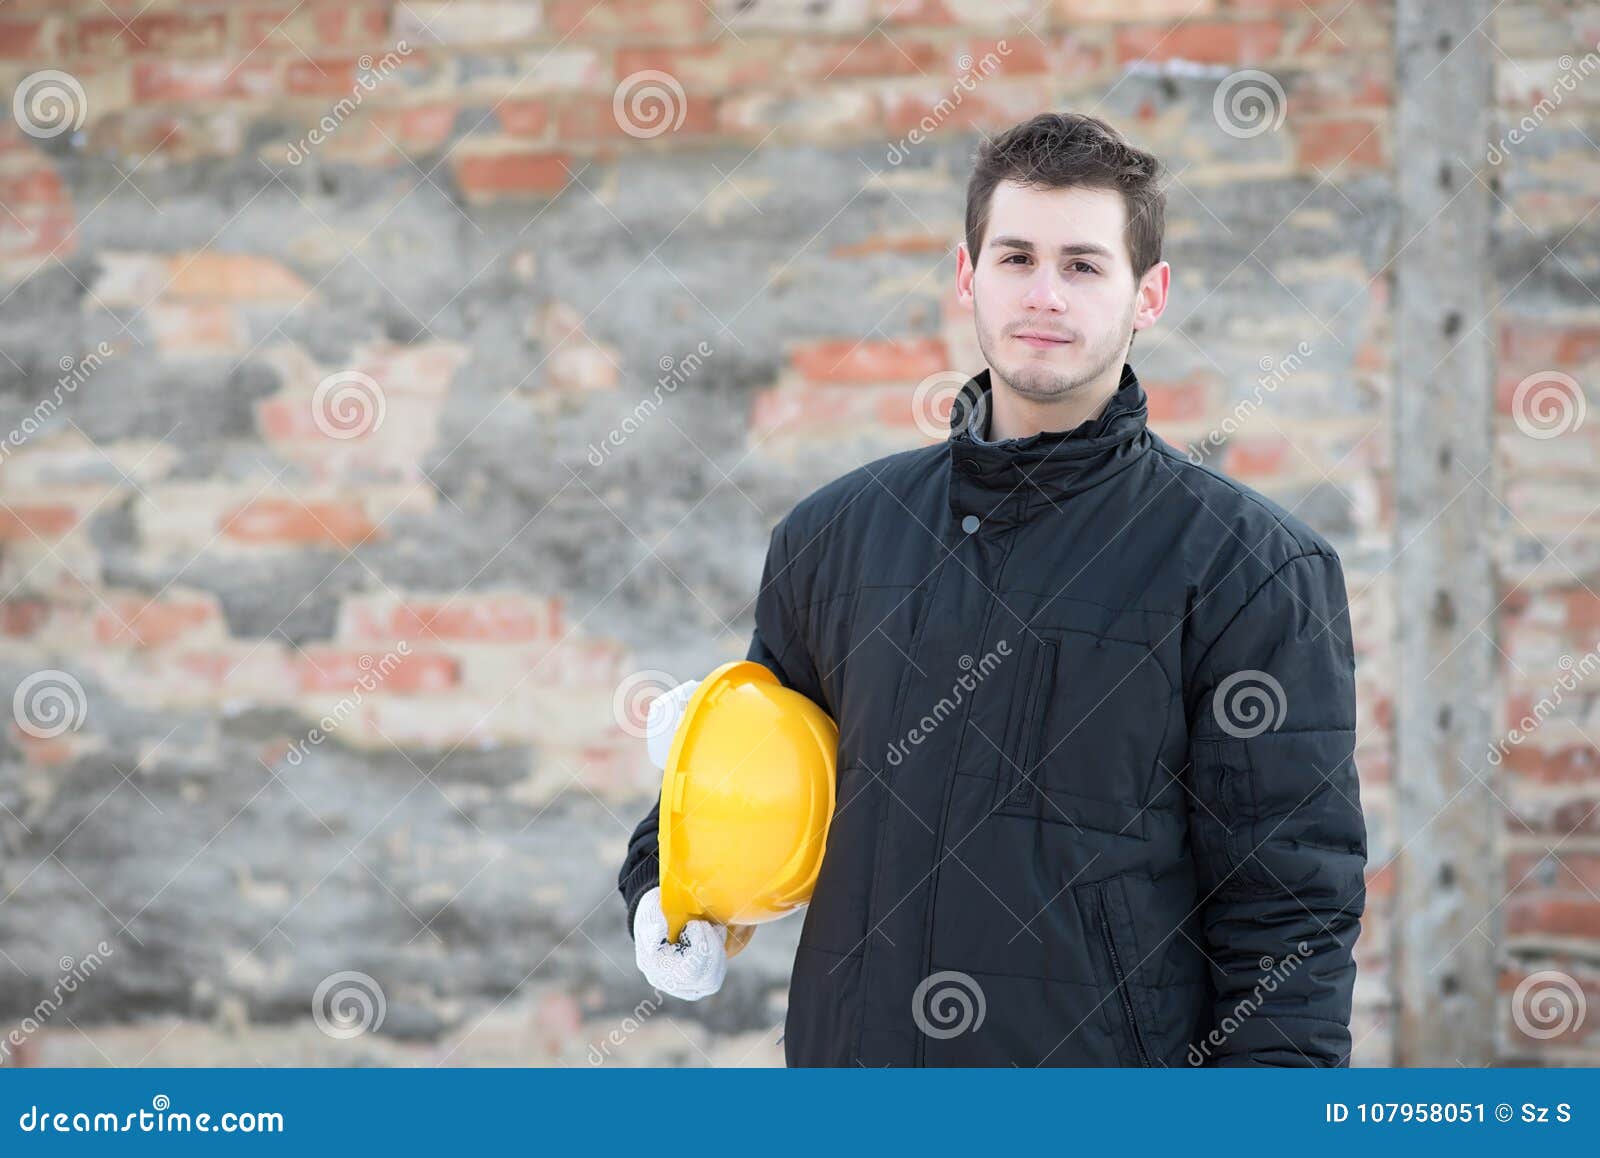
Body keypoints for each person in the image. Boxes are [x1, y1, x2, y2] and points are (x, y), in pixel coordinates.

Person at [618, 111, 1367, 1067]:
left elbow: (1290, 909)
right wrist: (664, 878)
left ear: (1149, 295)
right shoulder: (835, 537)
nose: (1044, 294)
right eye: (1016, 258)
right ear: (968, 275)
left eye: (1083, 265)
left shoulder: (1250, 569)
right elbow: (756, 778)